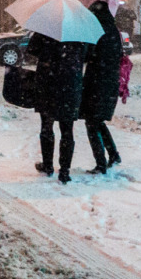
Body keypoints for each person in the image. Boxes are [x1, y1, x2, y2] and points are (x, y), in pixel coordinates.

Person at [27, 31, 86, 184]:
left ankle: (48, 165)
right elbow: (85, 55)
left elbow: (31, 49)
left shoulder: (47, 27)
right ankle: (65, 171)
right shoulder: (78, 32)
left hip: (48, 83)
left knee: (46, 126)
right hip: (70, 84)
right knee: (67, 130)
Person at [81, 0, 124, 174]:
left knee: (92, 123)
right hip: (110, 83)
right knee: (97, 121)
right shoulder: (114, 31)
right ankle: (113, 154)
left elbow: (87, 56)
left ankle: (101, 163)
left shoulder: (96, 33)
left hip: (96, 84)